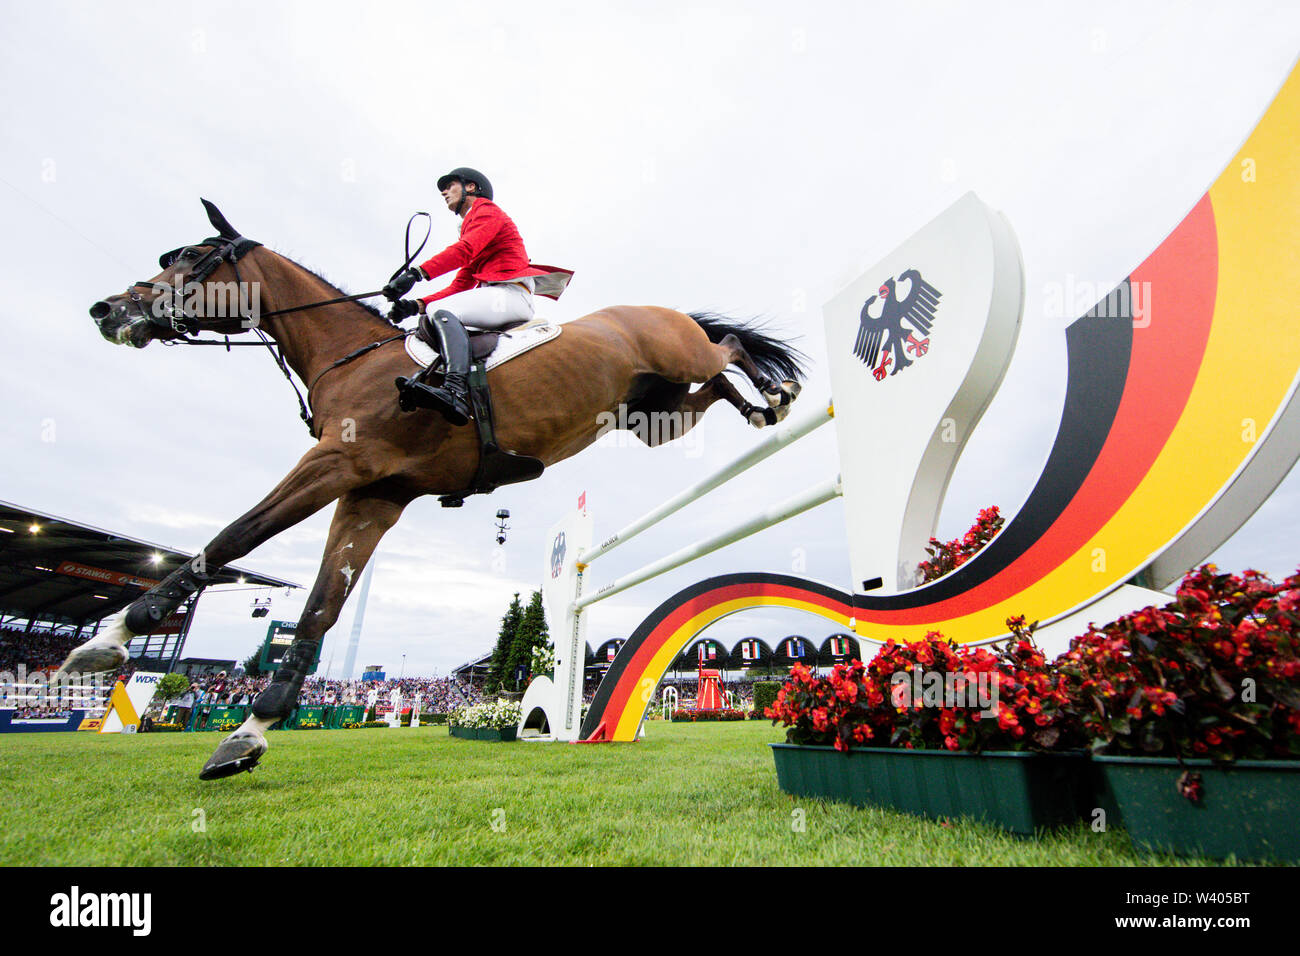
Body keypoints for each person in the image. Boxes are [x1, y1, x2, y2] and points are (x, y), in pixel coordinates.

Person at [384, 167, 573, 424]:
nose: (443, 192)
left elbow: (464, 250)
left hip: (509, 295)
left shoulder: (486, 211)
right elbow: (460, 284)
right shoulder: (471, 223)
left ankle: (454, 391)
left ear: (470, 187)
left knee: (441, 313)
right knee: (435, 311)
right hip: (497, 297)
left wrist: (416, 274)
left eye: (450, 185)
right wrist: (415, 305)